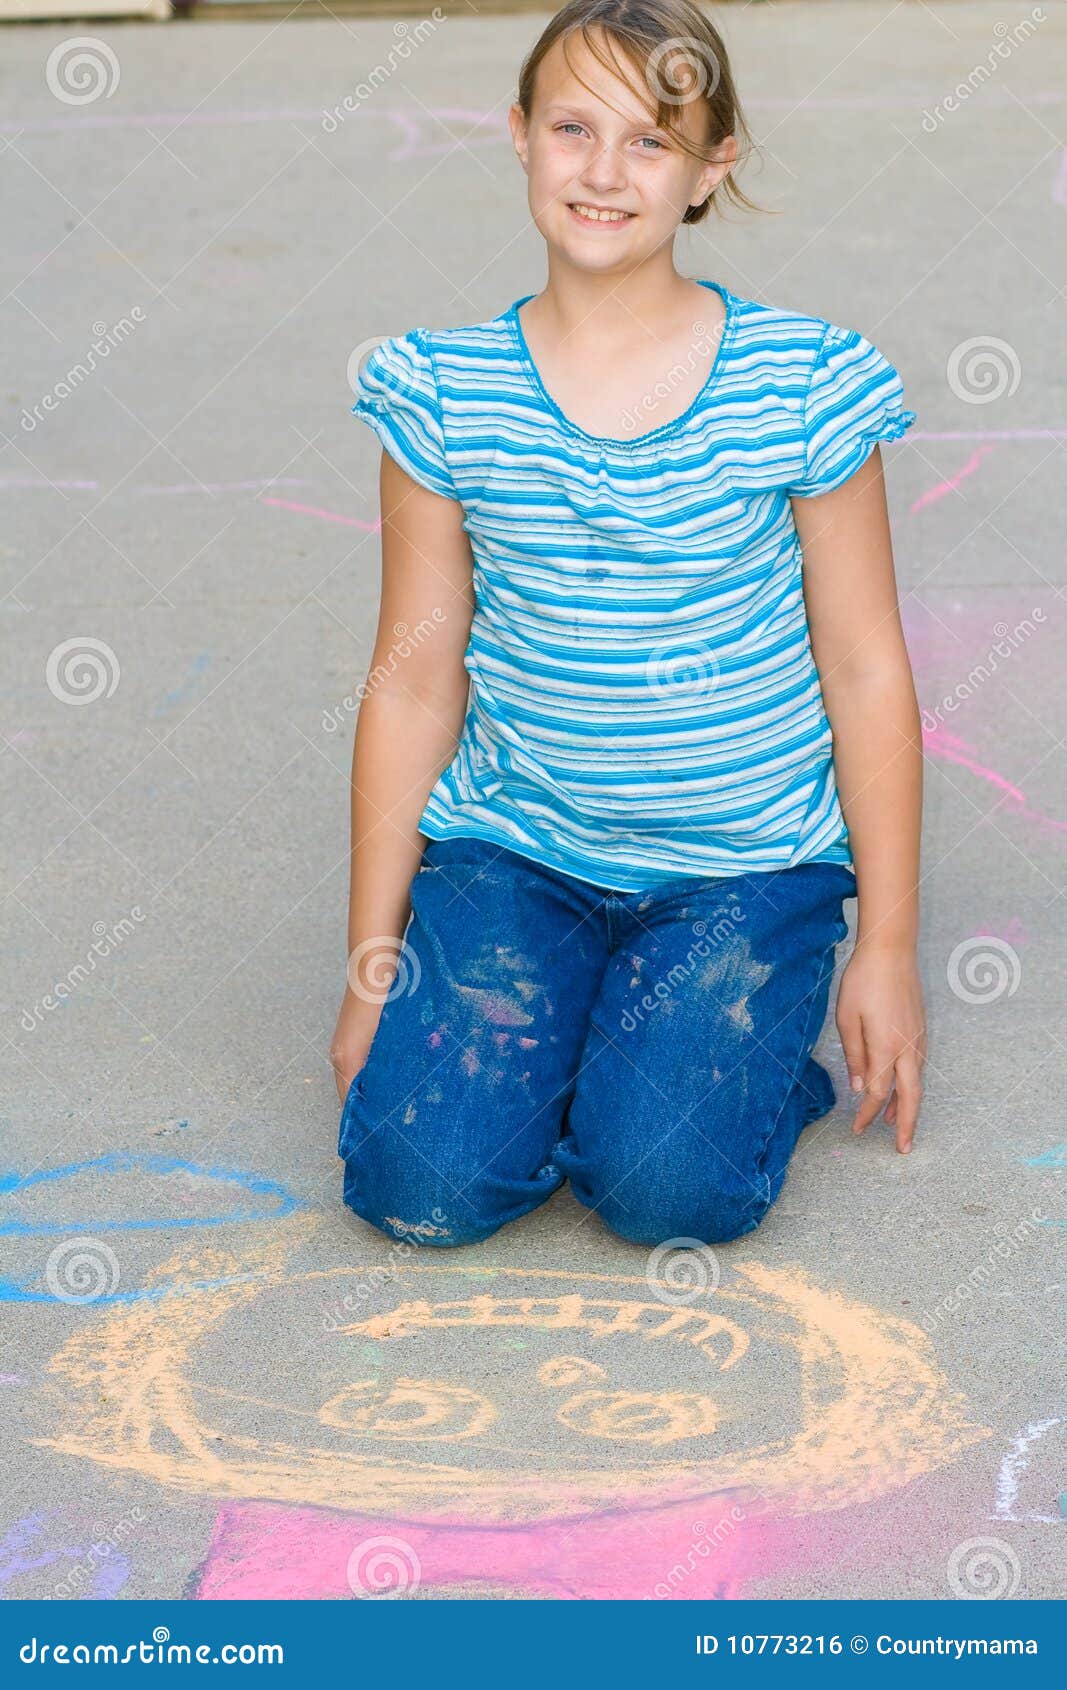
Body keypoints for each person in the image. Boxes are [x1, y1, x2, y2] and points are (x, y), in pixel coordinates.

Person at [330, 0, 927, 1250]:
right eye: (570, 128)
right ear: (517, 136)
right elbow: (413, 678)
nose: (603, 171)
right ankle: (593, 1029)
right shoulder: (446, 391)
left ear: (712, 168)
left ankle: (736, 1054)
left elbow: (865, 668)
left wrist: (884, 947)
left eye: (651, 141)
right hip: (521, 848)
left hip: (744, 865)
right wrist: (372, 960)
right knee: (416, 1183)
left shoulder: (799, 381)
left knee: (664, 1192)